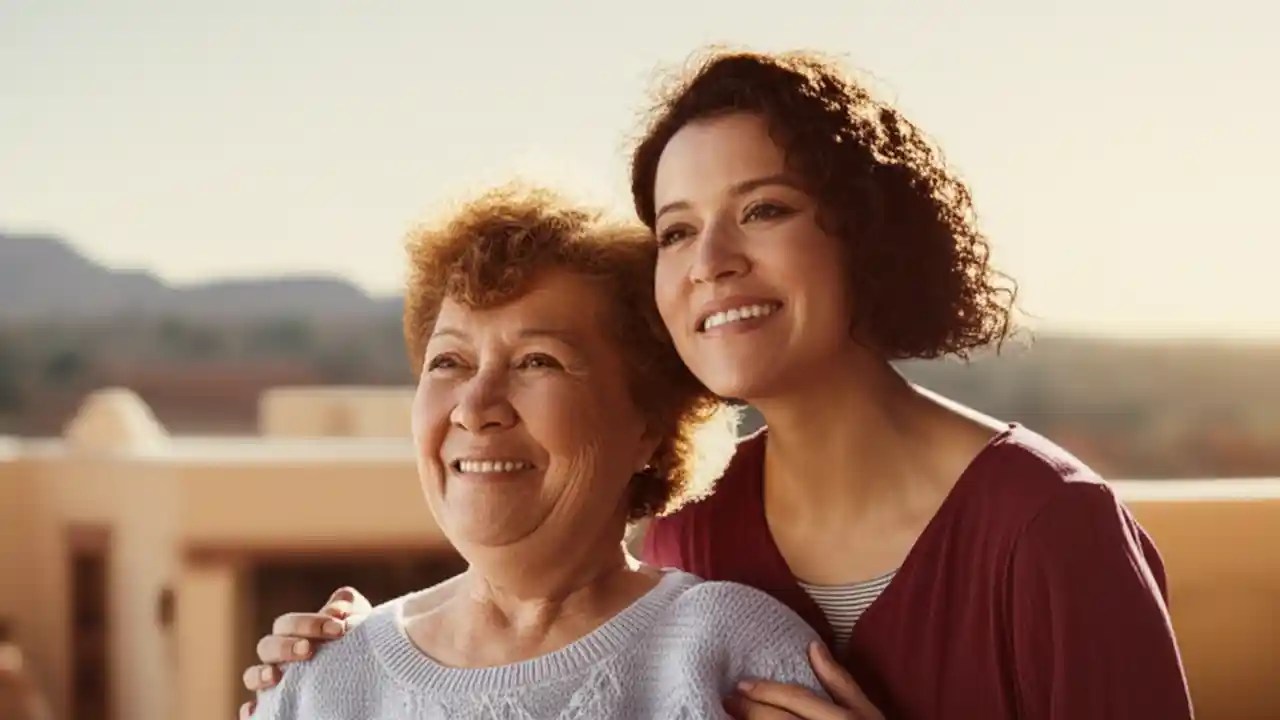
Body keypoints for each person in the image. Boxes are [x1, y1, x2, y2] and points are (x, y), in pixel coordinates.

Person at [244, 50, 1193, 719]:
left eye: (764, 210)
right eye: (676, 230)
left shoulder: (1047, 528)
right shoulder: (691, 527)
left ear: (864, 233)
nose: (712, 262)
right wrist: (363, 662)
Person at [248, 184, 842, 719]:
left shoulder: (731, 653)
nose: (476, 406)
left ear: (649, 426)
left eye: (538, 361)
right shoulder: (320, 680)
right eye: (449, 362)